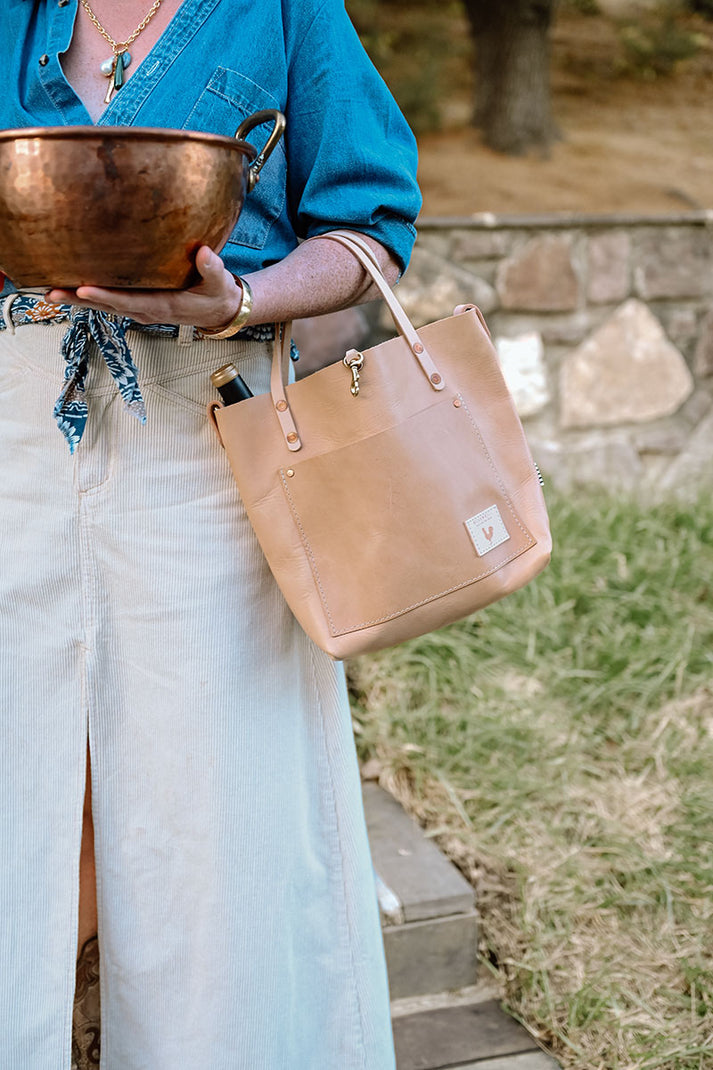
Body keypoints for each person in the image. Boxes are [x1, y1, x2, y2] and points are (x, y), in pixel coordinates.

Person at [0, 1, 421, 1067]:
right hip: (9, 446)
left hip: (202, 441)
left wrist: (239, 299)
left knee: (214, 835)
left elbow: (369, 231)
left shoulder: (283, 11)